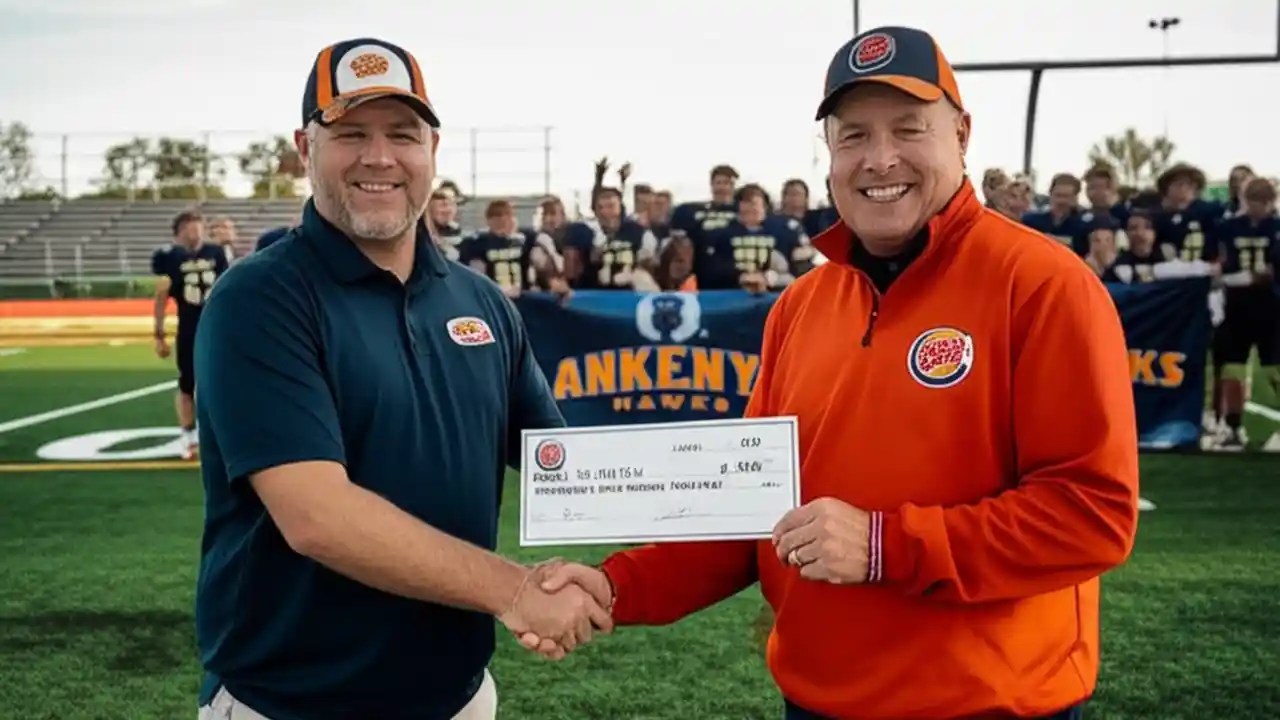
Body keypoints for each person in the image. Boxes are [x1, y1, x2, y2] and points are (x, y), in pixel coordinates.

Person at [534, 25, 1140, 720]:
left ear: (962, 135)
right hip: (816, 700)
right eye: (854, 136)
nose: (880, 160)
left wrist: (886, 544)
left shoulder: (1042, 284)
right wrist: (616, 587)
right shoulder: (801, 305)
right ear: (829, 151)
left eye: (909, 130)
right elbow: (751, 508)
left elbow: (1091, 515)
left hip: (990, 704)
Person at [192, 37, 610, 720]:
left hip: (460, 697)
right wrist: (516, 590)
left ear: (433, 152)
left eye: (402, 134)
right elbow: (317, 517)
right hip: (294, 703)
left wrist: (734, 480)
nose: (379, 157)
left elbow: (561, 464)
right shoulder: (261, 298)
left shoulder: (480, 303)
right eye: (351, 132)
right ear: (305, 148)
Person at [150, 209, 228, 460]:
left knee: (222, 380)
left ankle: (219, 433)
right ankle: (187, 436)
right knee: (187, 382)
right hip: (189, 325)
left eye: (199, 225)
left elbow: (228, 287)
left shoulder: (215, 252)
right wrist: (159, 333)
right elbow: (161, 294)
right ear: (181, 230)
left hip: (218, 325)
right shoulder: (168, 257)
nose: (197, 231)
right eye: (192, 226)